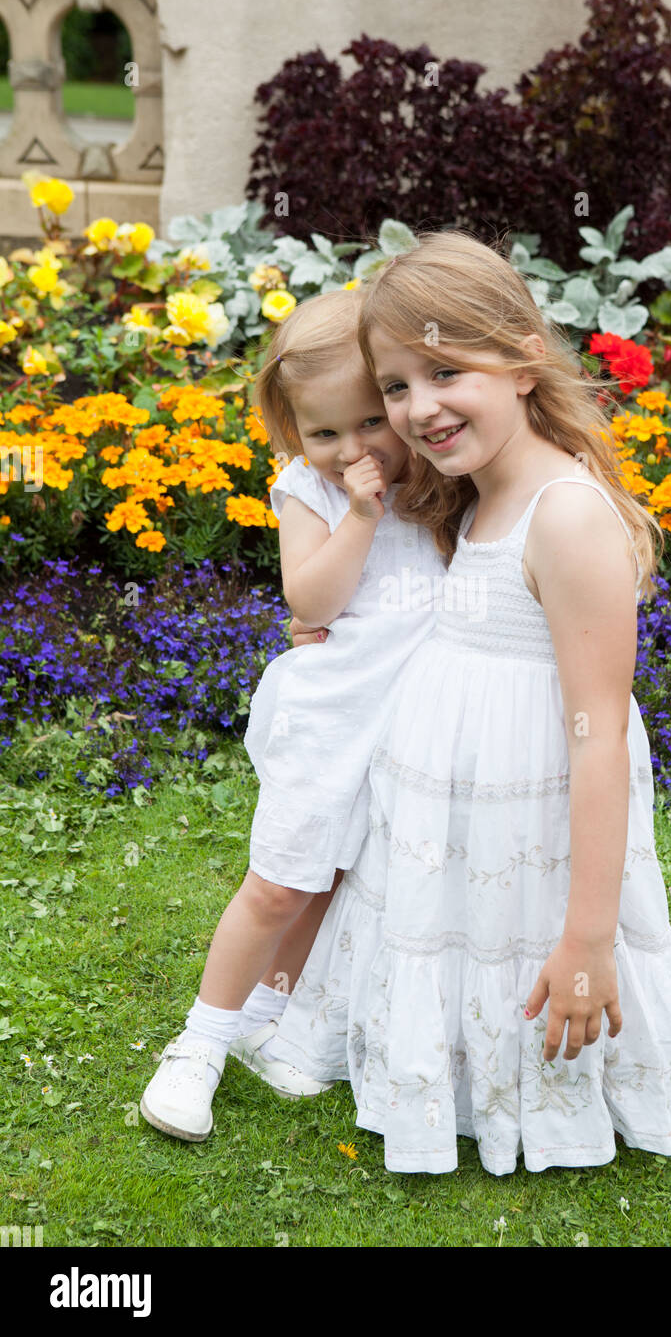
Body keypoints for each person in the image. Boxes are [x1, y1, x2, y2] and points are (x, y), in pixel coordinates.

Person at [258, 230, 671, 1175]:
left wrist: (588, 937)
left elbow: (598, 739)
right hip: (452, 819)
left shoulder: (564, 513)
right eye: (396, 388)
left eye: (445, 371)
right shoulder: (468, 496)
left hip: (545, 820)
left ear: (523, 358)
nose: (419, 409)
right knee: (467, 974)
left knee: (611, 1011)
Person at [140, 288, 447, 1141]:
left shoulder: (444, 479)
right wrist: (358, 513)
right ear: (292, 434)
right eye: (324, 433)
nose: (353, 449)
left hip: (418, 719)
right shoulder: (310, 492)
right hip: (335, 710)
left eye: (369, 422)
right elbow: (309, 595)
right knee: (283, 879)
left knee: (344, 879)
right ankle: (198, 1043)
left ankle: (270, 1013)